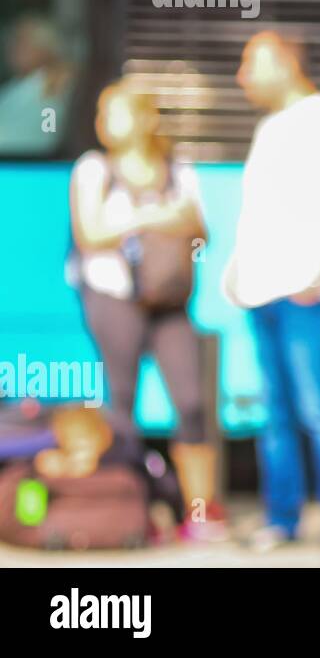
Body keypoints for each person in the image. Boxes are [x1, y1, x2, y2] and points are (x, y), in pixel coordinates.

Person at [224, 31, 320, 550]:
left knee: (317, 410)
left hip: (305, 299)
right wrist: (240, 271)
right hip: (263, 295)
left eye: (250, 63)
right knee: (276, 413)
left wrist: (317, 278)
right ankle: (281, 519)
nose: (243, 77)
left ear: (284, 63)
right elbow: (262, 215)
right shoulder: (268, 129)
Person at [69, 81, 222, 540]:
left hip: (169, 301)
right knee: (122, 403)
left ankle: (198, 514)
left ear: (142, 117)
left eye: (110, 112)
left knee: (192, 403)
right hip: (113, 298)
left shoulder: (178, 169)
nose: (102, 123)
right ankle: (135, 511)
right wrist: (153, 216)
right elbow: (89, 236)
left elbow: (199, 229)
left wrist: (139, 218)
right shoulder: (93, 169)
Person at [0, 14, 75, 155]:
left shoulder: (54, 85)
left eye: (23, 42)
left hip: (30, 163)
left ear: (45, 47)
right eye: (13, 41)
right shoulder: (15, 84)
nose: (14, 48)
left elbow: (48, 135)